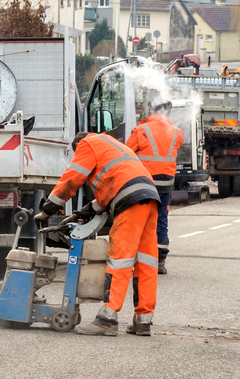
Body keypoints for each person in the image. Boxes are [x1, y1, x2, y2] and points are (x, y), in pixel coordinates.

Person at [34, 131, 161, 336]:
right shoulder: (111, 144)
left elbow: (72, 178)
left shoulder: (87, 144)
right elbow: (112, 187)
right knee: (146, 261)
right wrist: (80, 213)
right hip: (149, 197)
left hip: (129, 202)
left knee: (119, 259)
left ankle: (107, 318)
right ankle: (143, 320)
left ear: (78, 145)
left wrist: (48, 209)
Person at [126, 101, 183, 275]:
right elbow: (176, 146)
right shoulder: (176, 132)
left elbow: (127, 151)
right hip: (165, 185)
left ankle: (134, 259)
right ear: (168, 112)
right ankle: (160, 260)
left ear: (151, 110)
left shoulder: (141, 130)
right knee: (161, 221)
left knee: (138, 220)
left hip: (144, 183)